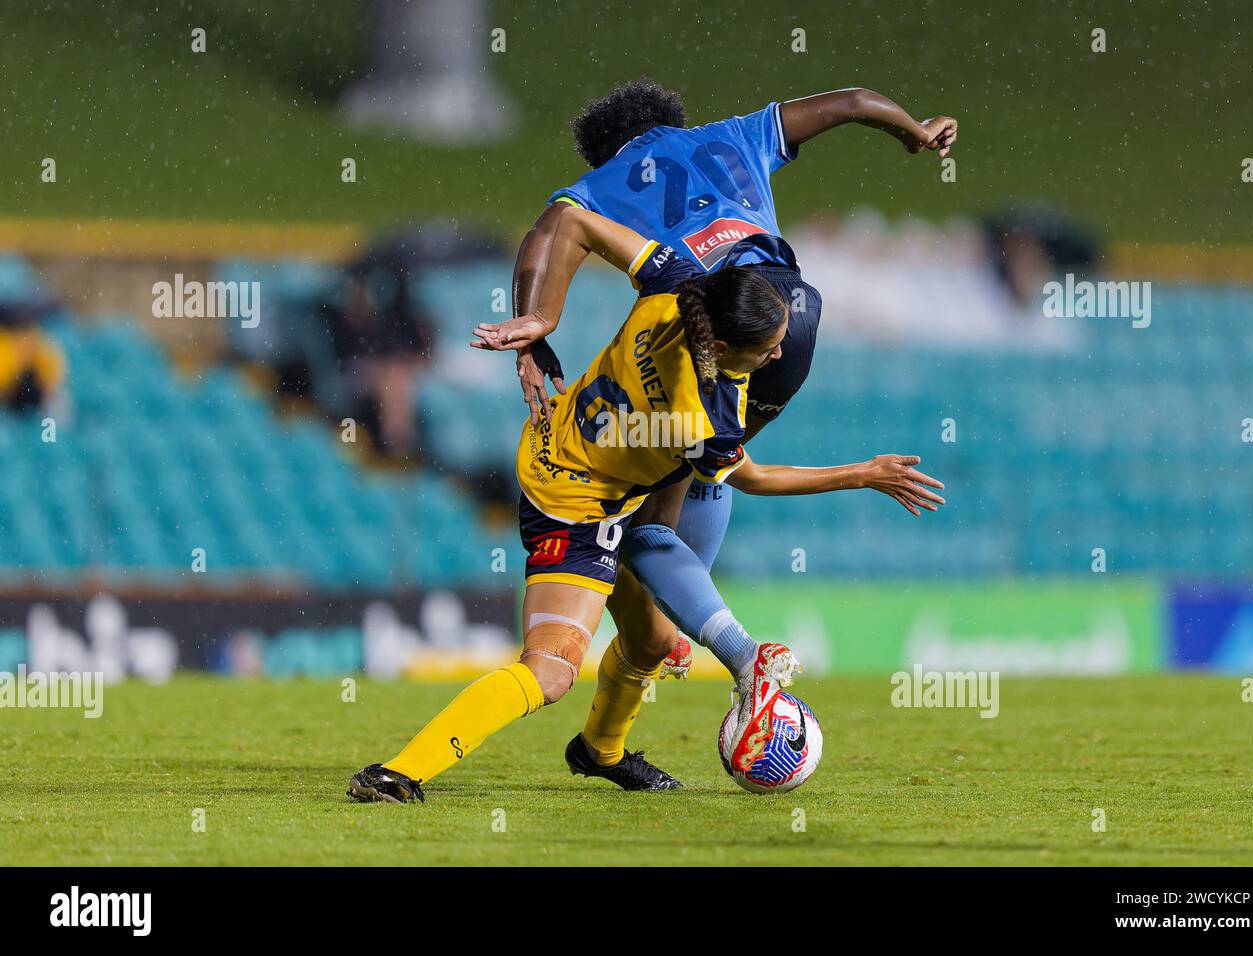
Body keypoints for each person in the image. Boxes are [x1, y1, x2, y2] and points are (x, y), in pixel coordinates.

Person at [347, 206, 945, 802]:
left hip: (569, 450)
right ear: (733, 347)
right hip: (575, 504)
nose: (779, 357)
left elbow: (572, 218)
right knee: (552, 670)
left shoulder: (676, 282)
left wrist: (541, 319)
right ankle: (401, 771)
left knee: (654, 642)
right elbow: (756, 479)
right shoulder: (705, 418)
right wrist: (862, 474)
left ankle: (599, 752)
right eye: (770, 348)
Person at [470, 79, 955, 789]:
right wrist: (913, 129)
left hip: (725, 335)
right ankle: (638, 690)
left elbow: (547, 235)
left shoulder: (598, 183)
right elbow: (851, 100)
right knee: (692, 485)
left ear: (607, 148)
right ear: (671, 121)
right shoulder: (733, 135)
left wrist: (535, 322)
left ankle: (689, 618)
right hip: (789, 314)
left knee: (665, 504)